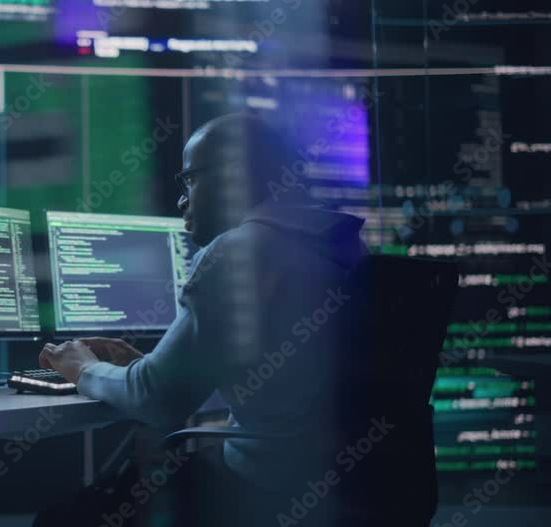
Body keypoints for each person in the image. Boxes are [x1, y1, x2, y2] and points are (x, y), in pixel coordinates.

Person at [37, 113, 368, 525]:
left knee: (61, 520)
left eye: (190, 179)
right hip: (364, 487)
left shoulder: (237, 251)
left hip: (267, 491)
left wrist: (84, 368)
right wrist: (147, 366)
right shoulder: (344, 248)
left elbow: (159, 403)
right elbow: (291, 384)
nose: (182, 200)